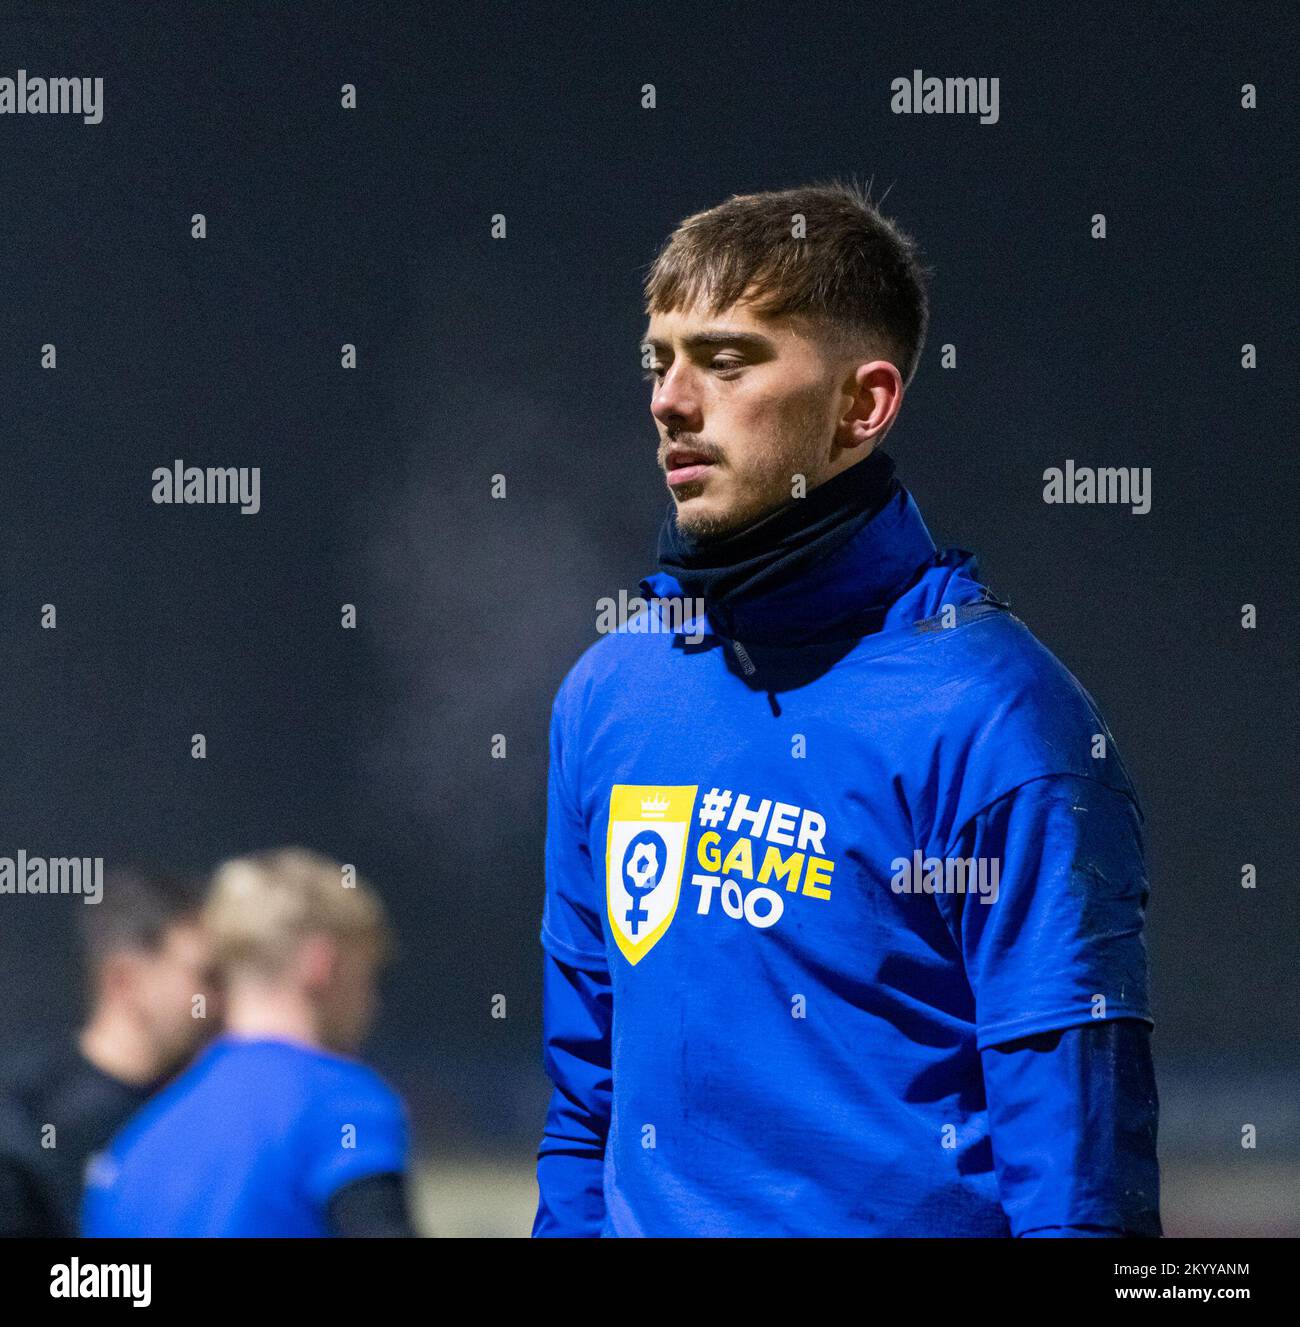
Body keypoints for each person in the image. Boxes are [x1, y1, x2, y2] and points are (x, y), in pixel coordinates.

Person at [533, 181, 1160, 1237]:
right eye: (659, 361)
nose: (669, 401)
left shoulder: (1004, 724)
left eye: (726, 362)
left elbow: (1079, 1191)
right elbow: (584, 1106)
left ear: (861, 406)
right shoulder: (611, 690)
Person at [82, 848, 414, 1237]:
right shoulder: (341, 1101)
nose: (371, 1003)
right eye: (367, 976)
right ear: (321, 964)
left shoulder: (135, 1145)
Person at [0, 865, 215, 1237]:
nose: (216, 1001)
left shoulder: (213, 1102)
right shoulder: (22, 1110)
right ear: (124, 980)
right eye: (204, 977)